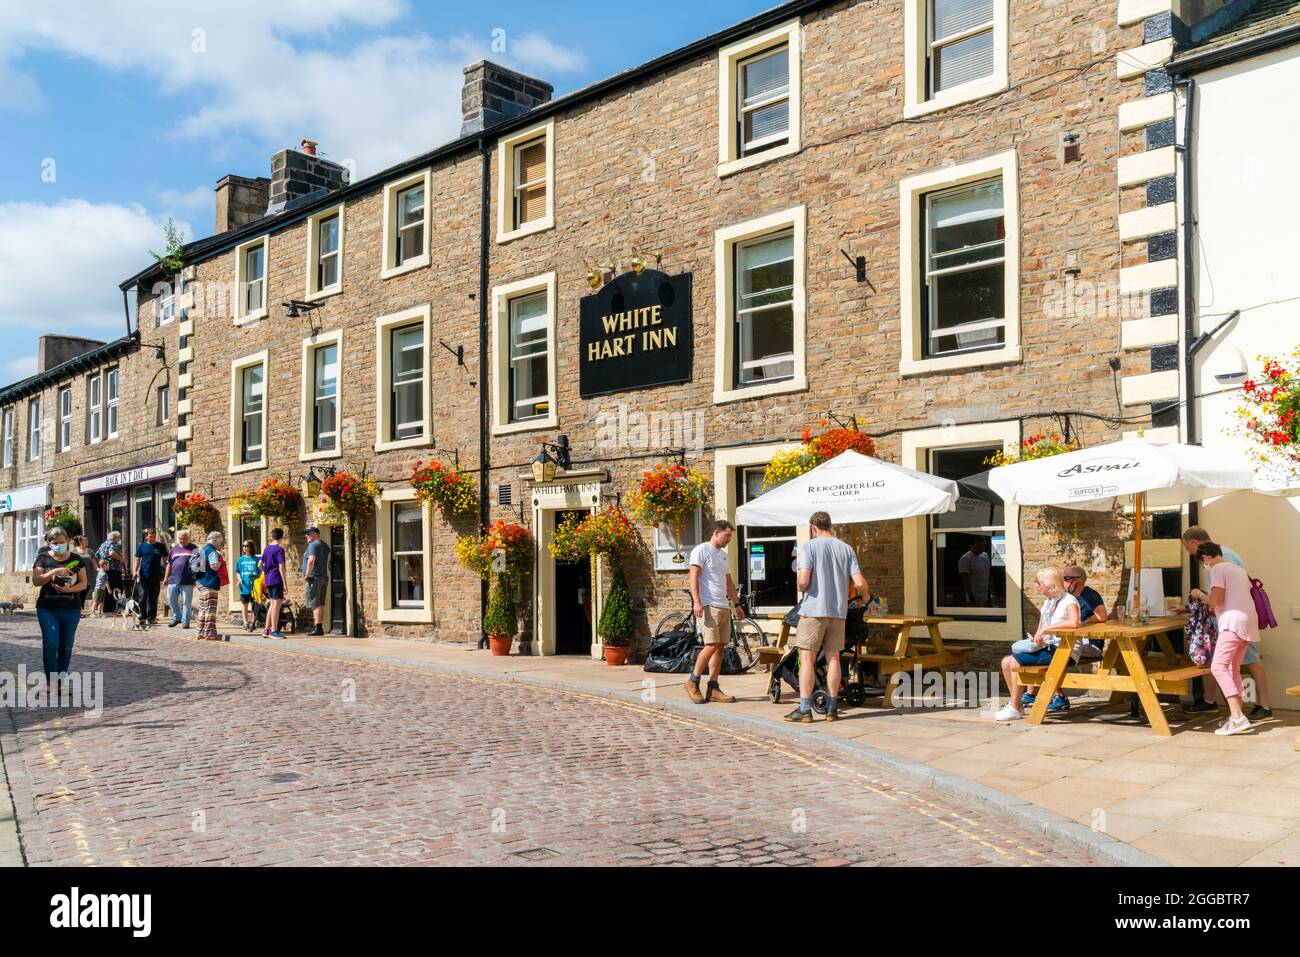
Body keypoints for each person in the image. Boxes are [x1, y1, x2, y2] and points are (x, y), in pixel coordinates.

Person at [1177, 526, 1272, 718]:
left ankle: (1258, 707)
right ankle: (1212, 702)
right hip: (1237, 619)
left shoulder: (1219, 562)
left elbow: (1219, 597)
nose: (1193, 556)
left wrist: (1201, 596)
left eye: (1189, 550)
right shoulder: (1225, 556)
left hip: (1232, 621)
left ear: (1195, 543)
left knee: (1242, 662)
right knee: (1221, 662)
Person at [784, 511, 870, 723]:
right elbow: (859, 583)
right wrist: (866, 597)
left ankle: (805, 709)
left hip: (813, 611)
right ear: (830, 525)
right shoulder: (846, 549)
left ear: (814, 527)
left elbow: (803, 581)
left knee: (807, 660)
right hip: (838, 613)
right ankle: (832, 708)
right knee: (834, 658)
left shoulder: (810, 547)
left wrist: (800, 584)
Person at [996, 567, 1081, 722]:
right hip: (1048, 647)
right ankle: (1017, 704)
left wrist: (1046, 629)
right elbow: (1040, 629)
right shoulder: (1048, 602)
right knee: (1006, 661)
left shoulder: (1069, 600)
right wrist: (1037, 638)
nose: (1036, 585)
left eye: (1039, 582)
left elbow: (1074, 622)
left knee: (1014, 662)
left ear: (1050, 584)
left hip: (1064, 649)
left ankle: (1015, 708)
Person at [1193, 542, 1260, 736]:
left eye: (1201, 562)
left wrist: (1199, 594)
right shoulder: (1237, 569)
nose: (1203, 566)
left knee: (1218, 667)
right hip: (1248, 622)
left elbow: (1216, 601)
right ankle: (1236, 716)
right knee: (1232, 668)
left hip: (1232, 623)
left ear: (1205, 558)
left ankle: (1238, 718)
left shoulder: (1218, 569)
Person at [684, 520, 742, 705]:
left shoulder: (723, 556)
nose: (729, 540)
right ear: (716, 532)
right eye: (727, 536)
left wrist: (737, 604)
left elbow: (729, 583)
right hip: (708, 605)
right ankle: (692, 682)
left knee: (719, 647)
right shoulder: (701, 550)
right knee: (710, 645)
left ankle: (713, 687)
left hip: (723, 606)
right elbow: (693, 576)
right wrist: (697, 602)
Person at [32, 527, 88, 695]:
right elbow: (36, 580)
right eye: (55, 543)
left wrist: (68, 589)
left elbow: (84, 583)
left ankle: (59, 683)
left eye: (62, 543)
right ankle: (50, 682)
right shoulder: (43, 558)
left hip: (71, 608)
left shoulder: (76, 560)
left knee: (65, 647)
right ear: (49, 543)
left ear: (68, 541)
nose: (59, 546)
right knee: (51, 645)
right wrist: (55, 571)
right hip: (47, 608)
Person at [194, 531, 226, 641]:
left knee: (203, 608)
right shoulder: (212, 551)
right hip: (210, 582)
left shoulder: (201, 550)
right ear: (215, 540)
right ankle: (209, 633)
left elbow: (195, 568)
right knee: (210, 609)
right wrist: (221, 560)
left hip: (200, 583)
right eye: (220, 543)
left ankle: (200, 632)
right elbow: (215, 567)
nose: (220, 546)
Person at [132, 527, 168, 625]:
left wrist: (166, 572)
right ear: (146, 536)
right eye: (150, 537)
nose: (151, 538)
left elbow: (166, 560)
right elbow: (137, 559)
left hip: (156, 575)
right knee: (143, 596)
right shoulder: (142, 546)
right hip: (144, 575)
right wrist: (135, 571)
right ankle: (142, 617)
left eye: (153, 537)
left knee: (153, 597)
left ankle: (152, 618)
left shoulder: (160, 546)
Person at [302, 526, 331, 637]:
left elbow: (311, 560)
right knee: (320, 603)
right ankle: (318, 627)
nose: (306, 536)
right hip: (323, 577)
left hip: (314, 579)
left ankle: (317, 628)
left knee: (315, 603)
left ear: (315, 534)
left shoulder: (313, 545)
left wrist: (307, 575)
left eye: (308, 534)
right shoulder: (324, 545)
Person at [260, 527, 288, 639]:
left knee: (272, 604)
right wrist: (285, 584)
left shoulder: (267, 549)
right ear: (282, 536)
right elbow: (282, 567)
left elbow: (260, 565)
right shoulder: (279, 549)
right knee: (277, 605)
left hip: (269, 579)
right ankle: (274, 630)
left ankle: (266, 630)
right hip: (277, 579)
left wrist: (266, 572)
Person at [166, 530, 198, 628]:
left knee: (186, 602)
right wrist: (165, 577)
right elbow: (169, 564)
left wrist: (197, 578)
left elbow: (200, 565)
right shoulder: (174, 549)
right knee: (171, 599)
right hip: (173, 579)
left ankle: (185, 621)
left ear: (188, 538)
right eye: (180, 538)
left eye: (184, 538)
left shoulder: (195, 548)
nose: (182, 540)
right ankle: (177, 617)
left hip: (188, 580)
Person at [96, 530, 126, 610]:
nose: (119, 540)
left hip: (104, 570)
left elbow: (97, 555)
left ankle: (106, 609)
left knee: (106, 589)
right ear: (115, 538)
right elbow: (111, 553)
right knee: (113, 590)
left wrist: (103, 563)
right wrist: (120, 559)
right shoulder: (111, 544)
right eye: (118, 538)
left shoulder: (102, 544)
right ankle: (111, 609)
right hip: (113, 570)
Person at [958, 537, 991, 606]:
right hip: (973, 598)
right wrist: (972, 598)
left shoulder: (985, 556)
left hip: (985, 596)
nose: (981, 548)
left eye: (983, 546)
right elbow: (965, 581)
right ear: (971, 545)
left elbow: (987, 575)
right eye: (978, 546)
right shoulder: (965, 559)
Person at [236, 540, 260, 630]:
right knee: (244, 604)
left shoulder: (256, 559)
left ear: (251, 547)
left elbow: (259, 572)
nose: (244, 547)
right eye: (243, 546)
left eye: (246, 546)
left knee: (254, 605)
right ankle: (245, 623)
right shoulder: (240, 559)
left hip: (254, 587)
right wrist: (239, 579)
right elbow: (237, 572)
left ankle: (253, 622)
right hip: (244, 586)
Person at [73, 535, 94, 615]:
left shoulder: (90, 551)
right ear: (80, 542)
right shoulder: (74, 551)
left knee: (84, 593)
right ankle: (78, 610)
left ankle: (80, 609)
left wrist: (99, 569)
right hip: (77, 575)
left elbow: (94, 563)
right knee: (78, 593)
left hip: (88, 575)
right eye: (85, 540)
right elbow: (71, 563)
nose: (87, 541)